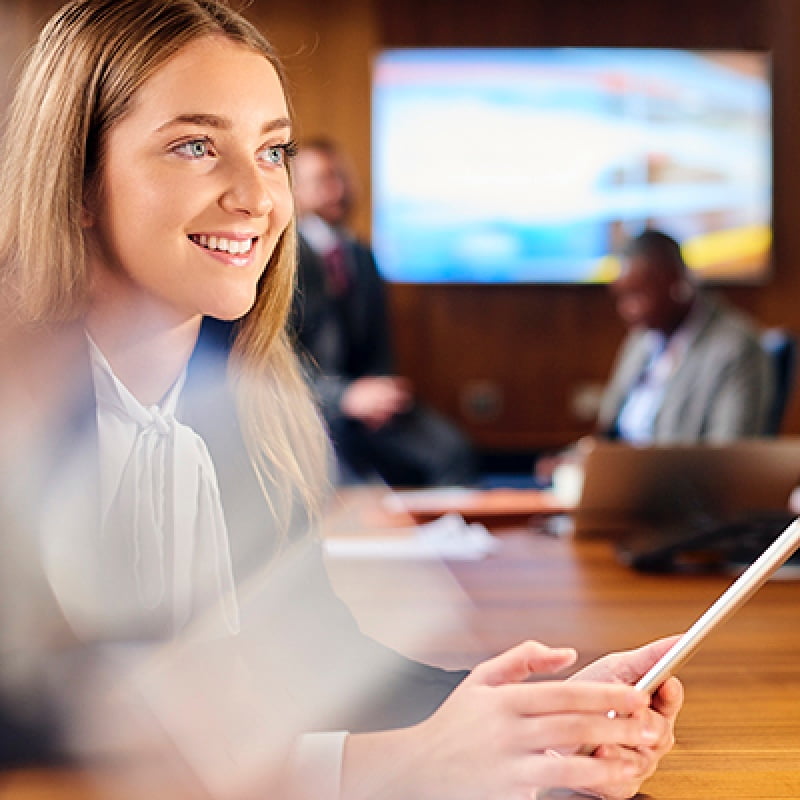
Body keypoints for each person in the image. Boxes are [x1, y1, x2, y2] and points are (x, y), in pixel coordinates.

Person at [0, 2, 683, 798]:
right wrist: (410, 766)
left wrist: (548, 719)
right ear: (75, 180)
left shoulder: (249, 413)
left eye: (272, 150)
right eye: (195, 146)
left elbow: (316, 675)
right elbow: (57, 763)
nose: (258, 196)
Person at [291, 138, 476, 487]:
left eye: (341, 178)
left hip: (368, 403)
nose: (338, 190)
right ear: (295, 191)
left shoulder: (361, 257)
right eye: (323, 180)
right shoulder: (282, 260)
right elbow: (273, 359)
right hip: (309, 407)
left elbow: (379, 344)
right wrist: (344, 397)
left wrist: (380, 394)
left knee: (452, 453)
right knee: (351, 485)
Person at [598, 229, 774, 443]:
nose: (627, 310)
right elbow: (608, 423)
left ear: (675, 283)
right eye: (622, 297)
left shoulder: (737, 348)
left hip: (680, 474)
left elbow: (729, 453)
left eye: (637, 296)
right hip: (616, 465)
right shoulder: (642, 339)